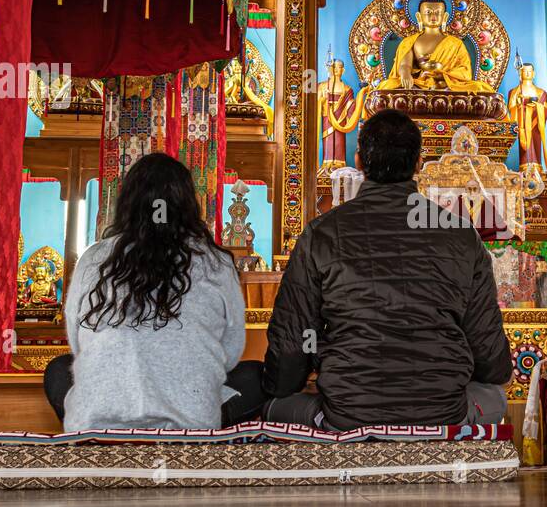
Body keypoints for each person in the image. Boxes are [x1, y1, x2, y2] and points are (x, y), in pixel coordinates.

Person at [263, 109, 512, 429]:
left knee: (274, 404)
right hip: (442, 414)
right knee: (494, 396)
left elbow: (292, 342)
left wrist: (292, 383)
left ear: (359, 161)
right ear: (419, 163)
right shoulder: (462, 236)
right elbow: (491, 359)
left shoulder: (321, 234)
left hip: (348, 414)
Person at [43, 152, 265, 431]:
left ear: (127, 204)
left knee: (58, 370)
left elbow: (78, 344)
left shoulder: (93, 257)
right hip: (189, 424)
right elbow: (230, 352)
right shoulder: (215, 262)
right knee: (256, 376)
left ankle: (98, 426)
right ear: (188, 205)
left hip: (97, 423)